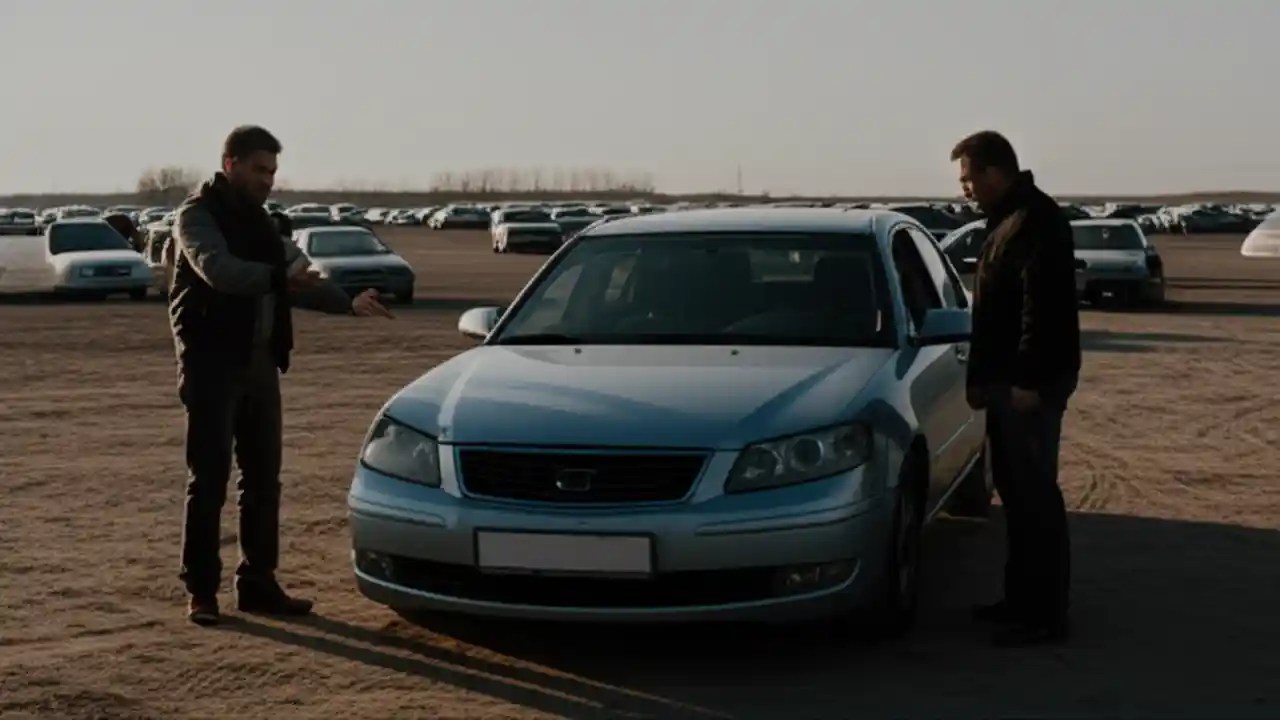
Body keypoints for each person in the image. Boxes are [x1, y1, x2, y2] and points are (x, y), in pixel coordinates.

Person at [170, 125, 394, 626]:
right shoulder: (196, 217)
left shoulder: (265, 225)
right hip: (211, 364)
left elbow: (299, 277)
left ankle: (258, 584)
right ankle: (201, 590)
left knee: (263, 481)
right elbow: (218, 270)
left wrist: (347, 302)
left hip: (259, 364)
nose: (268, 180)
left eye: (272, 171)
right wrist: (277, 278)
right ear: (231, 164)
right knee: (208, 481)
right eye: (259, 169)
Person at [950, 130, 1081, 646]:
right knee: (1017, 497)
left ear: (993, 172)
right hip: (1008, 382)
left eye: (967, 179)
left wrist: (1027, 382)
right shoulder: (1008, 221)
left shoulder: (1035, 223)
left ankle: (1044, 615)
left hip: (1030, 385)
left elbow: (1039, 312)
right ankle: (1021, 601)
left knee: (1035, 501)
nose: (964, 190)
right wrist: (982, 380)